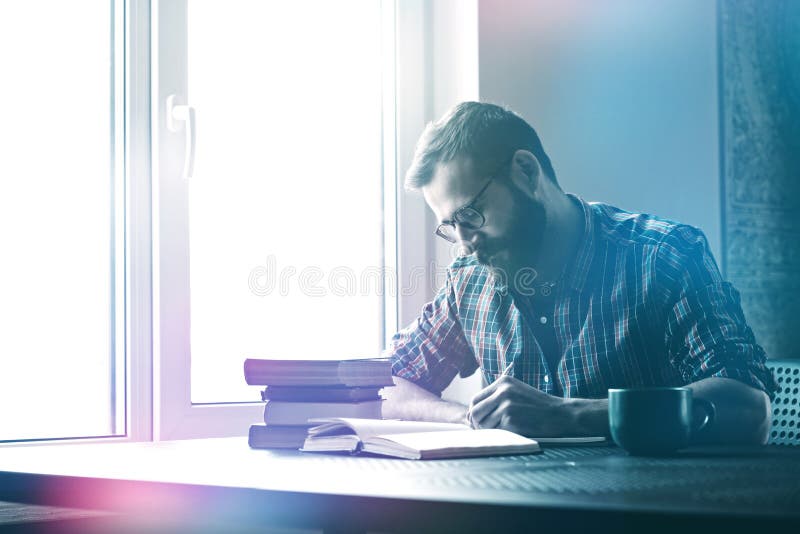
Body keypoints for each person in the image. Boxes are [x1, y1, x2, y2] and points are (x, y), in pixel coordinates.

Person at [382, 101, 775, 445]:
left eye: (470, 215)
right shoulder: (468, 279)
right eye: (451, 226)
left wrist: (569, 415)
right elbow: (386, 385)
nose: (465, 243)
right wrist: (472, 420)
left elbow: (748, 408)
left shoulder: (664, 257)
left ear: (526, 172)